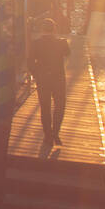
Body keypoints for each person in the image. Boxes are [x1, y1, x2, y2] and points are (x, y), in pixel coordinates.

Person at [29, 17, 70, 145]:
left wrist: (36, 75)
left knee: (45, 107)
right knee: (59, 106)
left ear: (42, 30)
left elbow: (30, 62)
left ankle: (47, 135)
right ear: (54, 29)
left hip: (43, 79)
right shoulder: (62, 43)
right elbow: (68, 53)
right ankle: (55, 133)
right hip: (58, 79)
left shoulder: (36, 43)